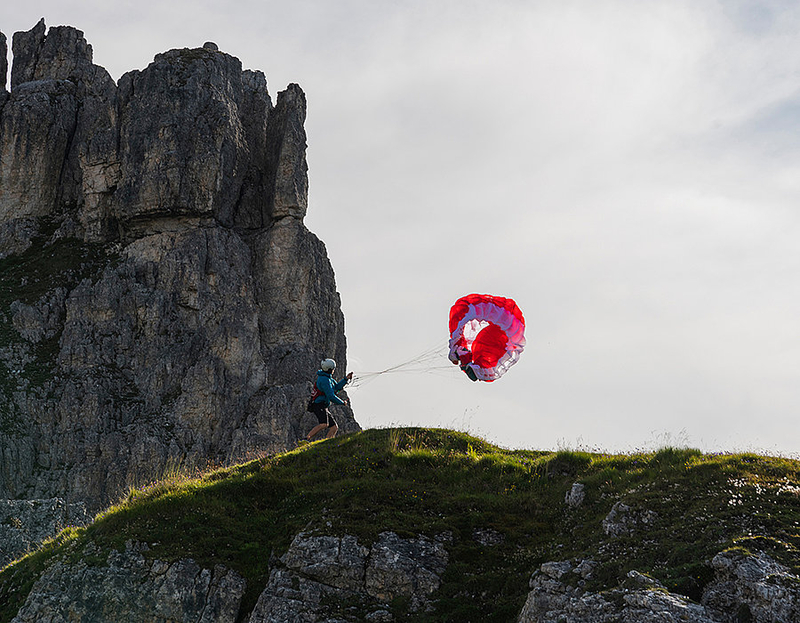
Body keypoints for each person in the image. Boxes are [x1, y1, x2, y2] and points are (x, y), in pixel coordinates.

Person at [305, 358, 353, 441]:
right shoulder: (324, 380)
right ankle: (306, 439)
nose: (334, 370)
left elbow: (337, 387)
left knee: (334, 427)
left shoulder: (328, 378)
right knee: (324, 424)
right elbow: (331, 396)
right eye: (333, 369)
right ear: (330, 370)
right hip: (318, 405)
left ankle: (327, 443)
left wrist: (346, 379)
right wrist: (342, 403)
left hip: (322, 405)